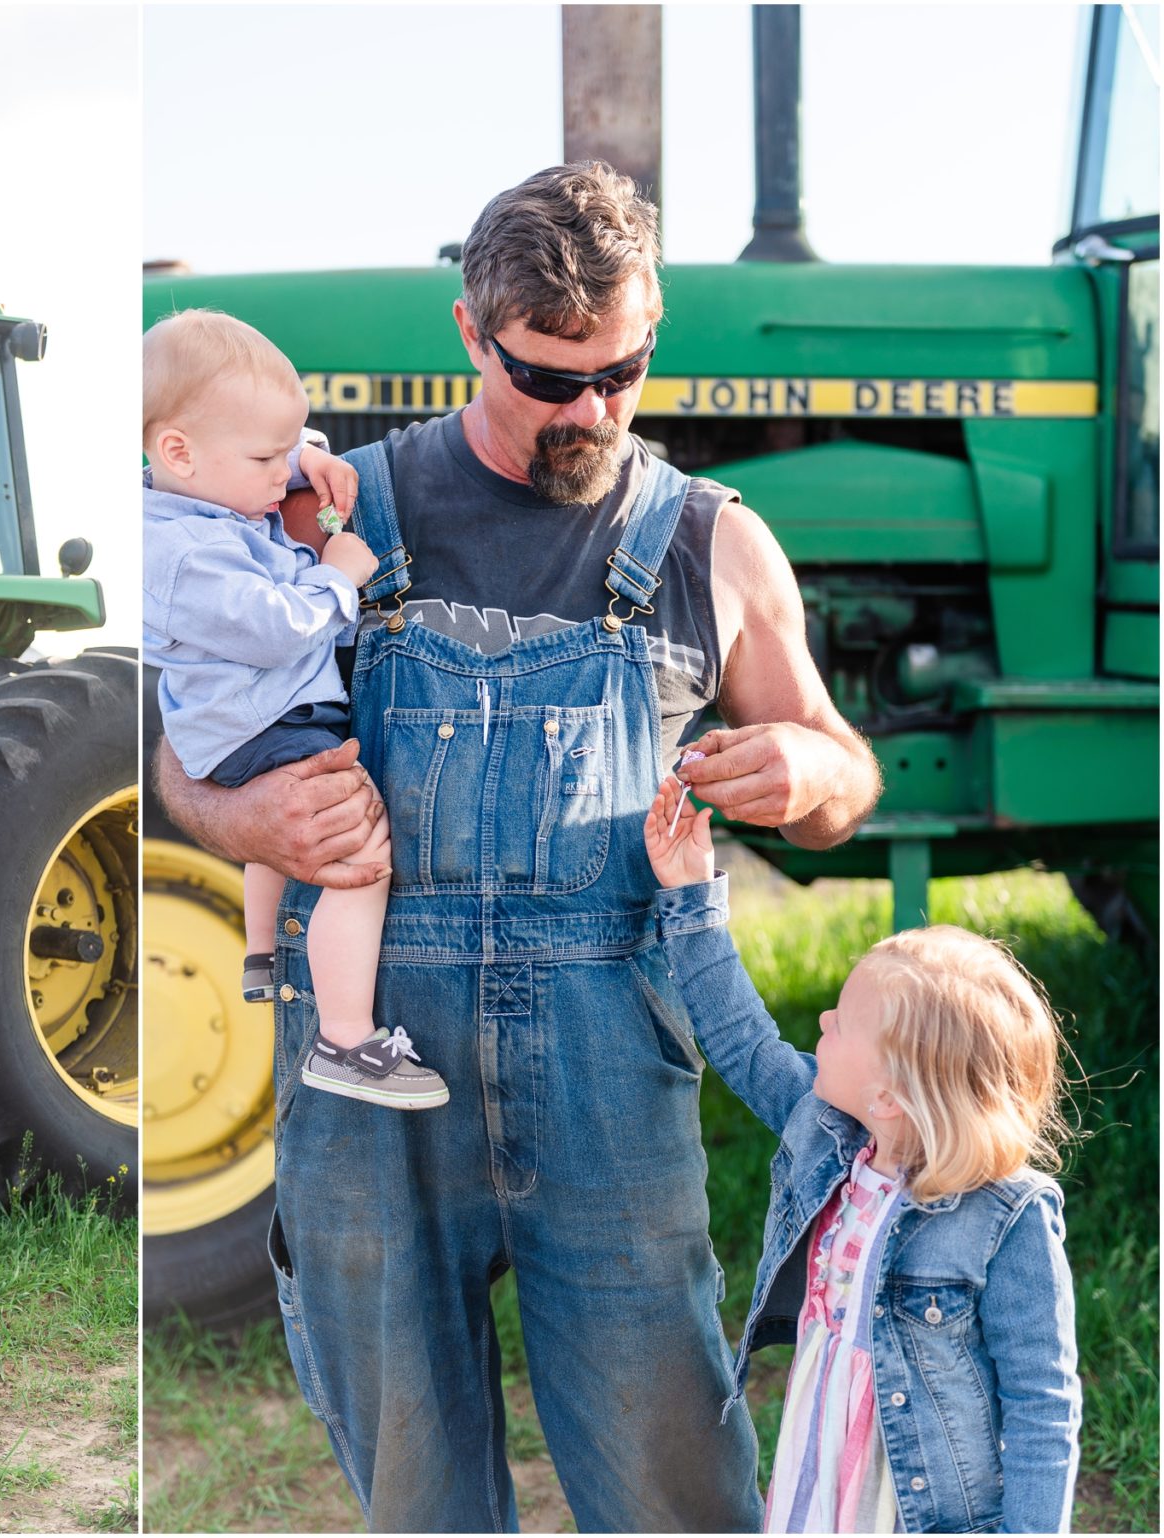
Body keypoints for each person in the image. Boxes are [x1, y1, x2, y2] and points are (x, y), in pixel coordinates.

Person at [154, 161, 883, 1531]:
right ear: (470, 335)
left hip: (610, 1076)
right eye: (549, 378)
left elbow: (846, 772)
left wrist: (810, 769)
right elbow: (183, 750)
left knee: (672, 1484)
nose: (590, 410)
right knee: (418, 1491)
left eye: (622, 372)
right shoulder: (330, 509)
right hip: (371, 1078)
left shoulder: (712, 542)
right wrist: (245, 819)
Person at [645, 776, 1080, 1533]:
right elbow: (742, 1040)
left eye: (840, 1023)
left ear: (889, 1097)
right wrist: (690, 895)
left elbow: (1042, 1403)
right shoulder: (832, 1136)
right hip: (823, 1474)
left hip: (923, 1506)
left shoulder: (1007, 1221)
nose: (821, 1019)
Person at [143, 309, 447, 1109]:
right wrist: (337, 574)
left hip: (245, 719)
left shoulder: (195, 501)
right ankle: (345, 1040)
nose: (285, 479)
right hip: (260, 715)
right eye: (266, 459)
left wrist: (302, 449)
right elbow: (275, 629)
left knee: (278, 839)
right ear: (179, 452)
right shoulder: (188, 555)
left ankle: (260, 955)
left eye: (285, 454)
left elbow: (248, 448)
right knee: (358, 847)